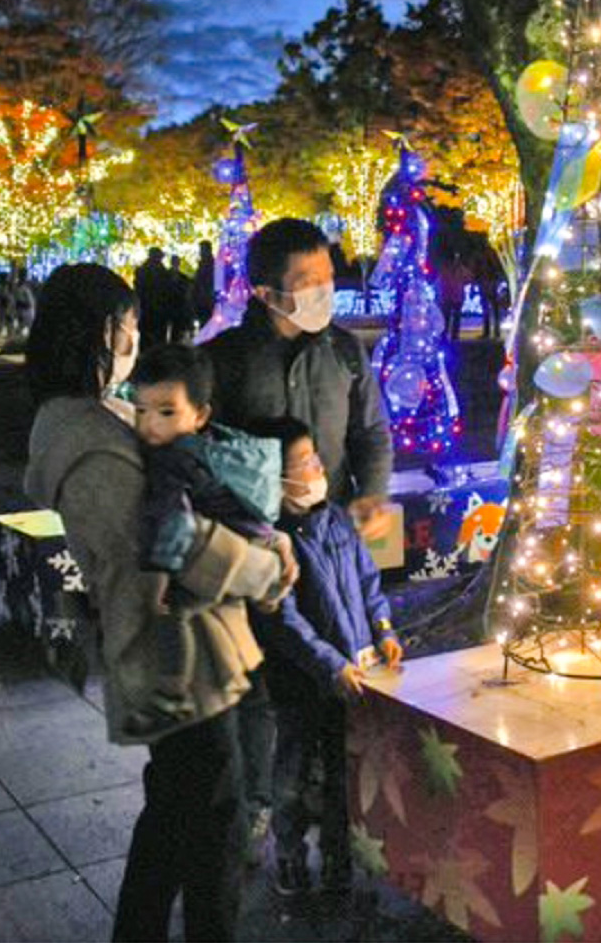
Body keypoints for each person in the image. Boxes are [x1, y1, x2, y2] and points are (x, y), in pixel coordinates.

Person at [23, 263, 297, 941]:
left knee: (174, 819)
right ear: (101, 332)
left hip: (181, 654)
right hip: (174, 663)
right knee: (216, 833)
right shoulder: (86, 440)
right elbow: (162, 547)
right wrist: (262, 568)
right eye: (130, 328)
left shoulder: (90, 420)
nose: (136, 341)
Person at [204, 217, 394, 863]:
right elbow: (202, 456)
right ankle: (266, 810)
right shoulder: (225, 361)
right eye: (306, 283)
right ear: (265, 293)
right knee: (270, 693)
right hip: (257, 561)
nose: (323, 293)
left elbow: (372, 432)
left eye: (328, 280)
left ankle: (336, 814)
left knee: (335, 679)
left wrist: (369, 492)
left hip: (332, 548)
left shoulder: (344, 351)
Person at [248, 417, 402, 897]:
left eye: (316, 458)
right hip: (301, 683)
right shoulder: (271, 537)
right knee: (292, 772)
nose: (316, 468)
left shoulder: (336, 517)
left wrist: (383, 631)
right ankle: (289, 855)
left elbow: (368, 581)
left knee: (342, 773)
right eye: (303, 463)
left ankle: (338, 854)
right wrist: (328, 665)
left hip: (353, 676)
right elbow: (284, 621)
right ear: (277, 475)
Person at [131, 344, 291, 733]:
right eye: (140, 410)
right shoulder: (218, 446)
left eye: (166, 412)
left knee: (178, 615)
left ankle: (170, 695)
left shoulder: (171, 459)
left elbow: (176, 523)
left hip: (236, 542)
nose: (151, 424)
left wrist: (158, 575)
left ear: (200, 414)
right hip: (260, 535)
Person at [193, 240, 217, 327]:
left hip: (208, 301)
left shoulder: (212, 265)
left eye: (202, 250)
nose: (200, 253)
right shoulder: (203, 264)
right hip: (203, 301)